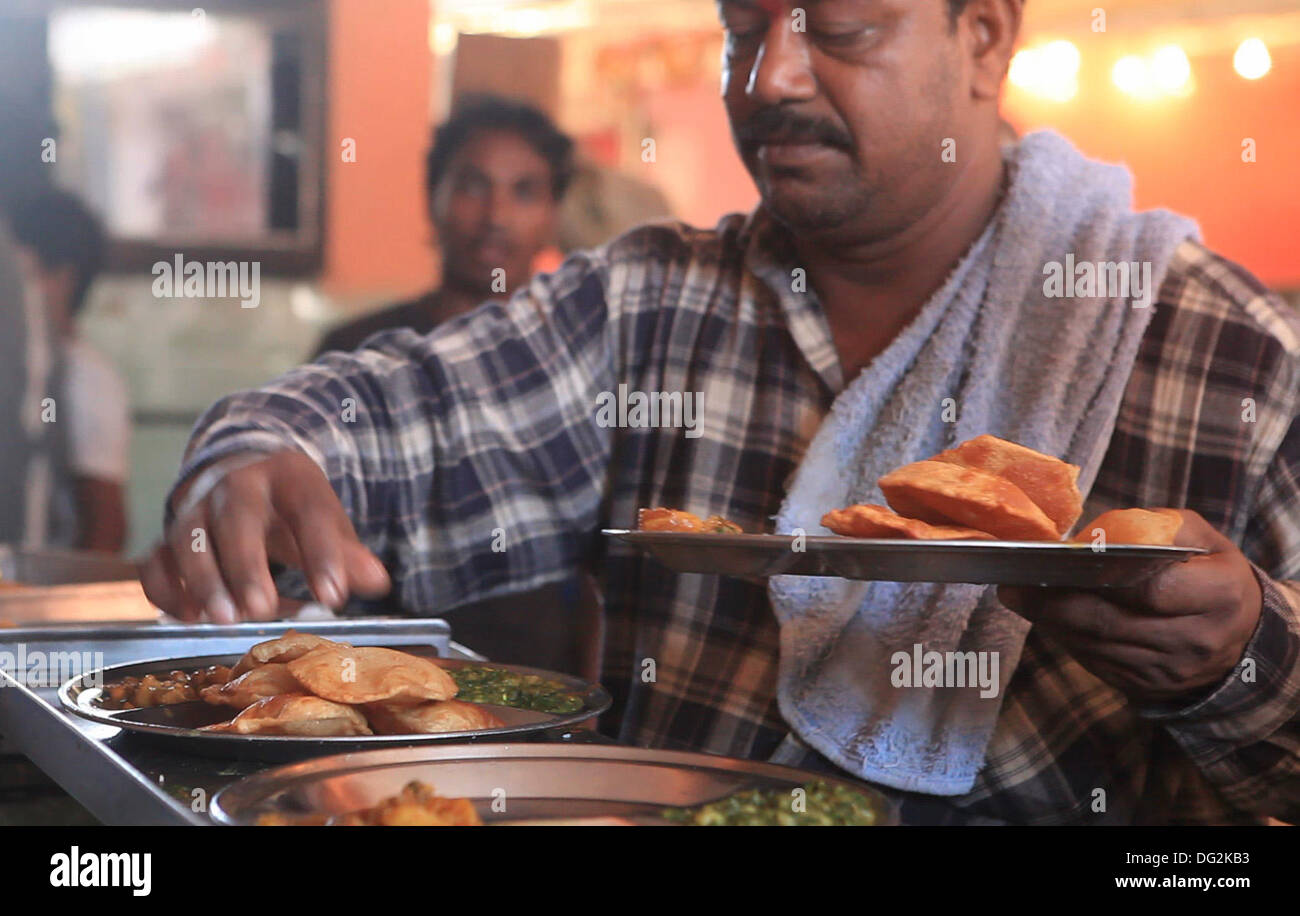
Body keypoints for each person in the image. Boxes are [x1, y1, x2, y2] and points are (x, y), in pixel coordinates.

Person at [143, 0, 1300, 825]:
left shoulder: (1219, 350)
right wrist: (256, 455)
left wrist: (1243, 662)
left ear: (984, 35)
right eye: (742, 30)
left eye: (837, 30)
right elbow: (408, 414)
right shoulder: (650, 304)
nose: (770, 78)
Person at [314, 95, 575, 356]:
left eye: (524, 193)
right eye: (473, 187)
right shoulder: (357, 353)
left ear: (553, 214)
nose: (496, 217)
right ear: (432, 197)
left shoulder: (577, 354)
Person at [7, 189, 128, 553]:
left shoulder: (87, 376)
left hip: (37, 595)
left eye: (21, 275)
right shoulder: (19, 367)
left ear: (63, 279)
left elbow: (106, 525)